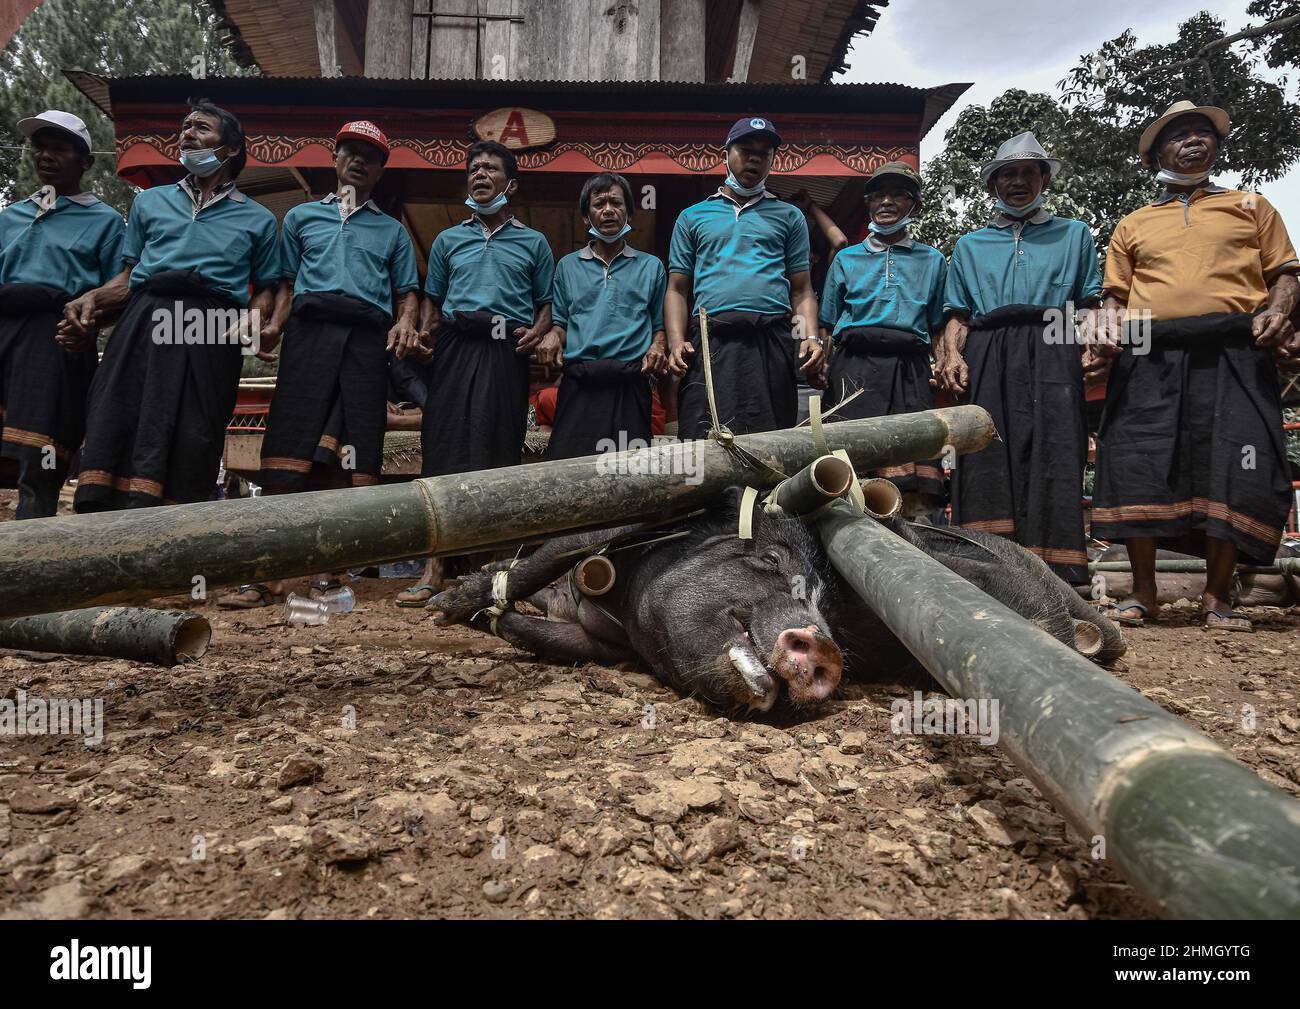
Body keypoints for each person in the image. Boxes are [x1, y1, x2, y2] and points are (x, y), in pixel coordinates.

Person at [1089, 101, 1300, 632]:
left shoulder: (1252, 206)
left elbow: (1287, 274)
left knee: (1233, 462)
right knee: (1139, 461)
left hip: (1234, 351)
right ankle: (1142, 592)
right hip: (1150, 354)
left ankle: (1218, 595)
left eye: (1202, 133)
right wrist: (1104, 333)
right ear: (1157, 152)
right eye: (1180, 134)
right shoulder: (1134, 222)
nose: (1193, 141)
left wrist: (1277, 312)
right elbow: (1113, 297)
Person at [220, 120, 420, 608]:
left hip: (365, 346)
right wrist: (272, 329)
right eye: (350, 150)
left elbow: (407, 295)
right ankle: (267, 574)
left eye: (369, 155)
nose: (359, 160)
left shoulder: (392, 231)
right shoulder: (300, 217)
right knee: (289, 451)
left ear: (379, 170)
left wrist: (404, 324)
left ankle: (328, 574)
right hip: (308, 341)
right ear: (334, 159)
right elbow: (286, 288)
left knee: (349, 453)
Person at [61, 99, 280, 510]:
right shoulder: (150, 202)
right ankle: (107, 531)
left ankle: (175, 538)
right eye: (185, 127)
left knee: (195, 427)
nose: (187, 134)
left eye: (201, 128)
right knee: (118, 413)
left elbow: (268, 287)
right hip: (144, 319)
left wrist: (255, 315)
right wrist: (93, 297)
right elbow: (130, 276)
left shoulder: (259, 219)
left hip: (211, 327)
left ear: (231, 149)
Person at [935, 132, 1102, 585]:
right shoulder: (969, 245)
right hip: (990, 349)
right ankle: (987, 571)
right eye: (1008, 174)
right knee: (987, 448)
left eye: (1029, 172)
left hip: (1054, 341)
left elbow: (1089, 303)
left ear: (1044, 179)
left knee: (1056, 448)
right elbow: (958, 314)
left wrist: (1092, 344)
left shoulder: (1075, 234)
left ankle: (1058, 576)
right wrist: (952, 355)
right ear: (994, 185)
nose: (1018, 182)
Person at [396, 140, 554, 606]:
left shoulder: (534, 242)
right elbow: (435, 303)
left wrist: (539, 333)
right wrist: (425, 332)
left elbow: (546, 305)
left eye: (490, 168)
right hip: (455, 345)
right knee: (443, 446)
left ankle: (486, 573)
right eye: (474, 168)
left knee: (496, 446)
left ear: (512, 183)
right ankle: (434, 569)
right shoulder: (448, 240)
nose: (479, 175)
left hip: (506, 351)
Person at [665, 117, 823, 439]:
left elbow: (802, 290)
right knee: (703, 436)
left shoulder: (790, 216)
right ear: (726, 153)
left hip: (771, 340)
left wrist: (809, 337)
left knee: (770, 439)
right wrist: (676, 341)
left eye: (764, 153)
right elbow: (677, 290)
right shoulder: (692, 216)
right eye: (746, 149)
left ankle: (763, 493)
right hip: (710, 343)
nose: (755, 158)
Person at [0, 110, 124, 518]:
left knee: (39, 461)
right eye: (39, 147)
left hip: (57, 342)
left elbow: (115, 295)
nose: (45, 155)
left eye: (59, 148)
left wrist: (87, 328)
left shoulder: (106, 221)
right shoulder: (10, 215)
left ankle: (31, 563)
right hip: (4, 331)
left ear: (85, 161)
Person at [820, 162, 947, 515]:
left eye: (899, 195)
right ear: (869, 204)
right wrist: (821, 362)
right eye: (878, 196)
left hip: (911, 369)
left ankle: (909, 548)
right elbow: (827, 325)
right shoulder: (846, 259)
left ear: (915, 206)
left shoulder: (934, 260)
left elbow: (937, 325)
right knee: (849, 467)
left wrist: (947, 364)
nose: (887, 202)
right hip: (853, 370)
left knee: (913, 473)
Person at [535, 172, 667, 460]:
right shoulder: (567, 266)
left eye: (616, 203)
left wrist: (658, 346)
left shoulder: (652, 267)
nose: (608, 210)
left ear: (629, 212)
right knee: (570, 469)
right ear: (586, 217)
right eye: (598, 204)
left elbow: (659, 326)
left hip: (630, 382)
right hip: (580, 382)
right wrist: (551, 337)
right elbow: (561, 325)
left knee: (630, 471)